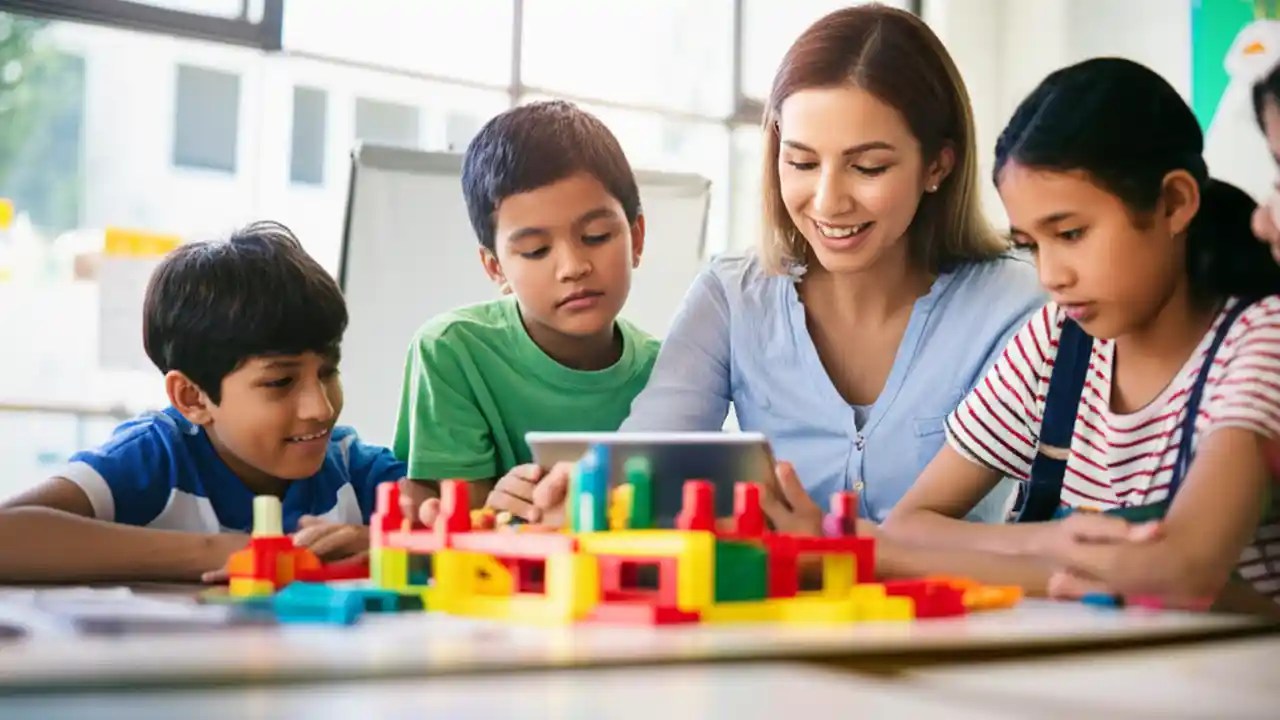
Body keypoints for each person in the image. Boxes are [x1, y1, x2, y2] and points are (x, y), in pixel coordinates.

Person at [516, 4, 1043, 528]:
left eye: (868, 167)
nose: (828, 200)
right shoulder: (732, 295)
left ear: (937, 165)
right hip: (774, 608)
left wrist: (836, 543)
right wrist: (578, 495)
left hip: (962, 609)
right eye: (802, 162)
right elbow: (644, 461)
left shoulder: (1018, 303)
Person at [883, 58, 1280, 612]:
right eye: (1031, 245)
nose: (1051, 275)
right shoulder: (1056, 341)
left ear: (1173, 203)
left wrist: (1006, 561)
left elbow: (1182, 572)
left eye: (1071, 233)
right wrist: (1047, 540)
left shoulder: (1259, 339)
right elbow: (908, 527)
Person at [0, 222, 404, 582]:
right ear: (192, 398)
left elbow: (461, 529)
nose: (322, 407)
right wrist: (222, 552)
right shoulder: (156, 459)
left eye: (328, 371)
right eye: (281, 381)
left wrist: (394, 549)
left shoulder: (354, 470)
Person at [395, 101, 660, 523]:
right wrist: (496, 510)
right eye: (536, 250)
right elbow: (446, 526)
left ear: (637, 237)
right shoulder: (452, 351)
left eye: (596, 236)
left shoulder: (670, 371)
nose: (573, 267)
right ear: (495, 266)